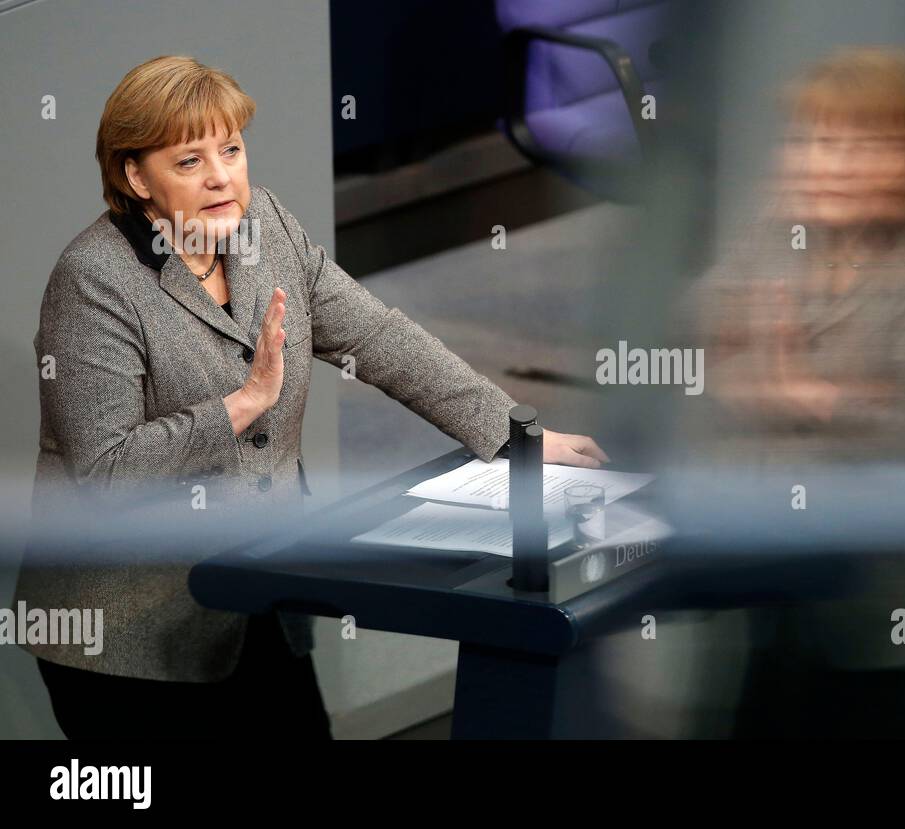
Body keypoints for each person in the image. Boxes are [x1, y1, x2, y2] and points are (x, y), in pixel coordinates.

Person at [13, 55, 608, 739]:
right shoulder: (93, 282)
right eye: (188, 161)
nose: (220, 176)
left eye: (231, 149)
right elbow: (106, 471)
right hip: (129, 641)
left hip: (258, 600)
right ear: (134, 175)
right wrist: (244, 402)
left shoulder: (263, 223)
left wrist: (513, 434)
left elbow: (379, 336)